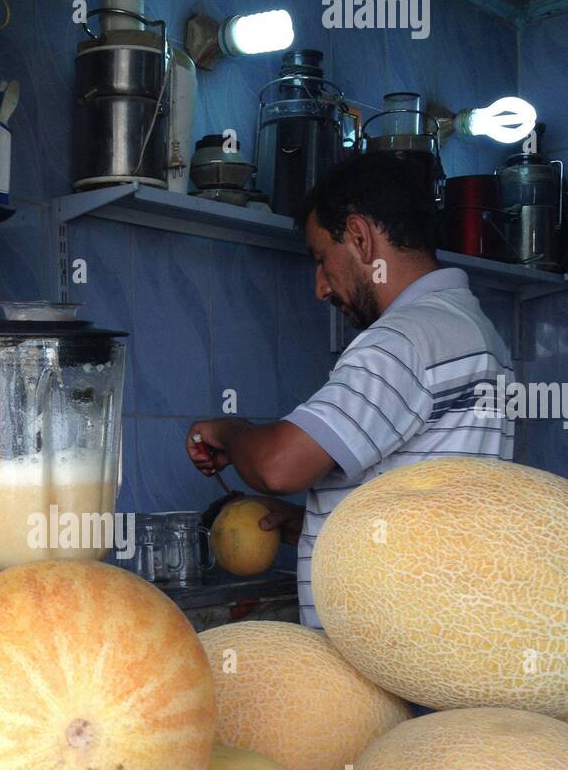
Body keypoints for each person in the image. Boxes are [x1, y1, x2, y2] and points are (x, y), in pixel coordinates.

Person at [187, 151, 514, 628]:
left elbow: (279, 466)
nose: (321, 288)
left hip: (390, 650)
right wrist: (305, 523)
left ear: (359, 237)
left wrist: (228, 432)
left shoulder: (402, 339)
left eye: (323, 260)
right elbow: (426, 513)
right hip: (439, 628)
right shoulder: (476, 333)